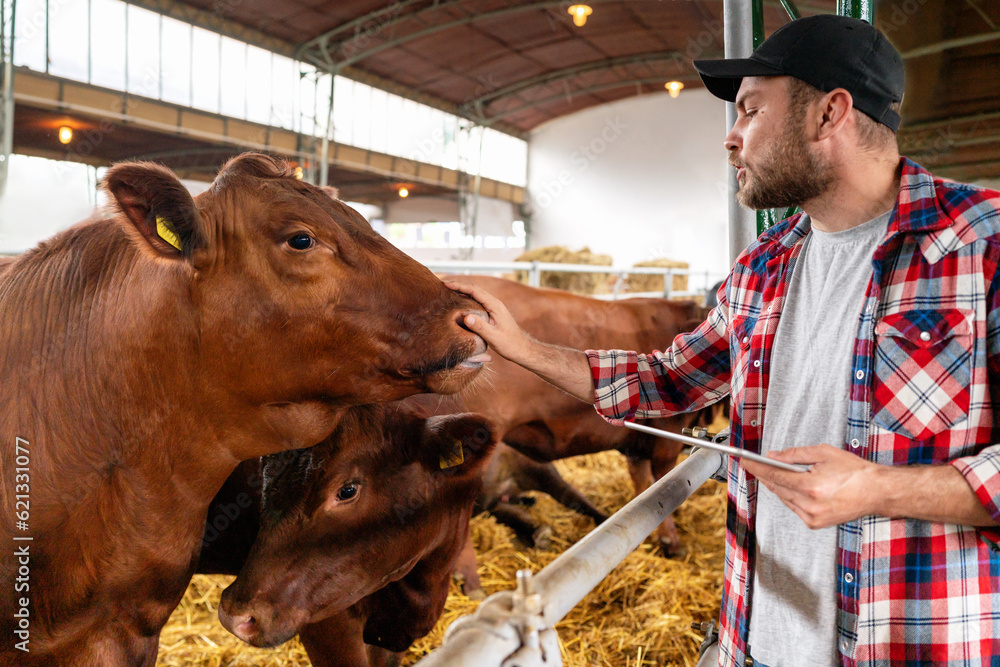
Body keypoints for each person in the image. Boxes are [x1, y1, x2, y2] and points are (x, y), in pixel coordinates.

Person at [447, 14, 1000, 667]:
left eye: (750, 111)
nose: (732, 139)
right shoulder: (764, 264)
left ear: (830, 114)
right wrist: (520, 344)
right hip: (755, 638)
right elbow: (667, 380)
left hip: (912, 644)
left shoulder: (980, 244)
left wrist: (878, 488)